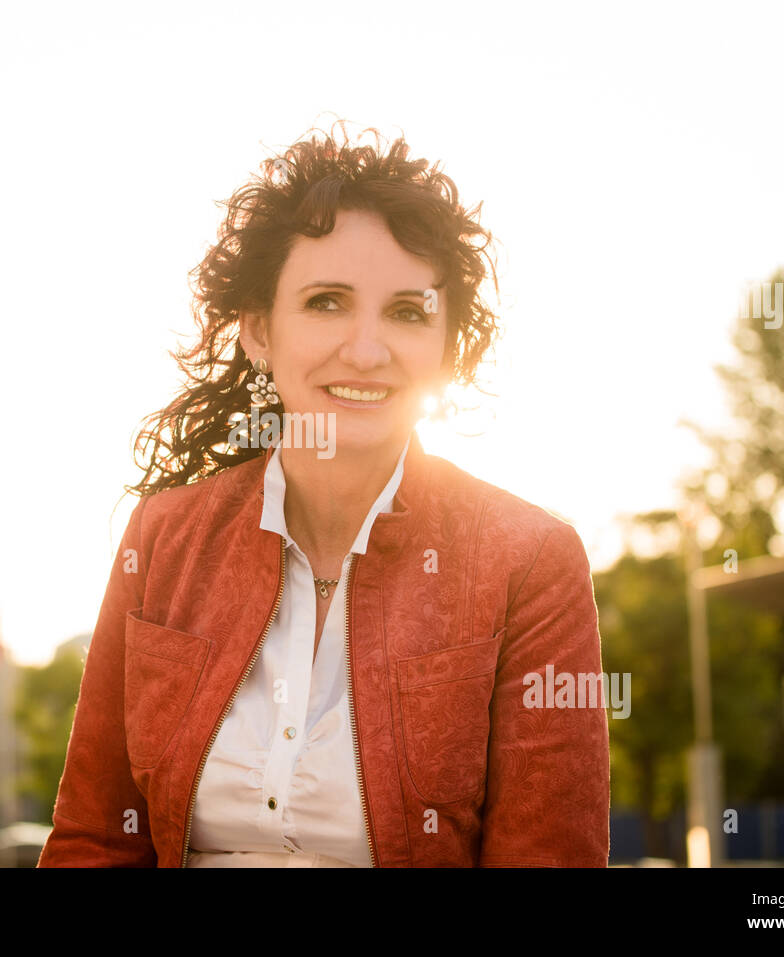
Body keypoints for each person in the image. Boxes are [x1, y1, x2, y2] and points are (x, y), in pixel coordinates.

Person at [37, 122, 609, 867]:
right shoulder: (163, 539)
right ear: (257, 330)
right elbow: (94, 839)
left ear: (445, 346)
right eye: (327, 301)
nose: (366, 349)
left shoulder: (529, 561)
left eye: (407, 311)